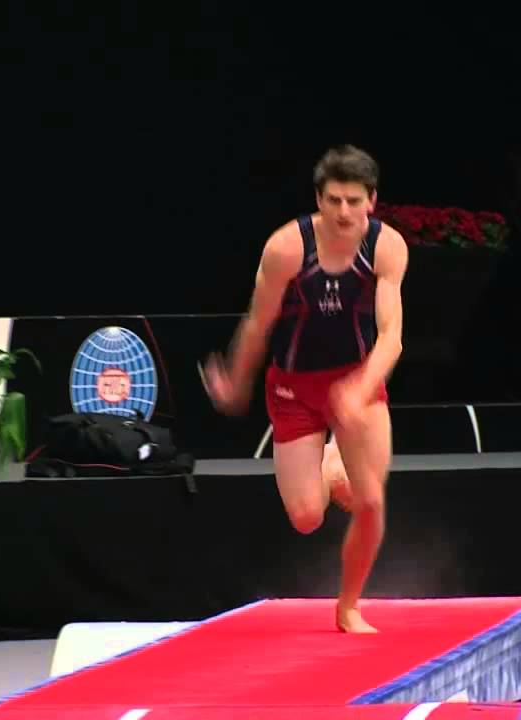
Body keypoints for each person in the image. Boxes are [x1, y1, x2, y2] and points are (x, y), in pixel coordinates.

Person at [201, 144, 407, 634]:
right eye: (333, 200)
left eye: (354, 201)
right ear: (319, 199)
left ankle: (348, 606)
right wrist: (236, 381)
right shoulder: (286, 249)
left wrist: (359, 389)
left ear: (371, 201)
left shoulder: (387, 247)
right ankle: (333, 465)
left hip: (356, 382)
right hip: (294, 390)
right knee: (307, 517)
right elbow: (259, 323)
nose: (343, 212)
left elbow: (392, 336)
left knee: (371, 501)